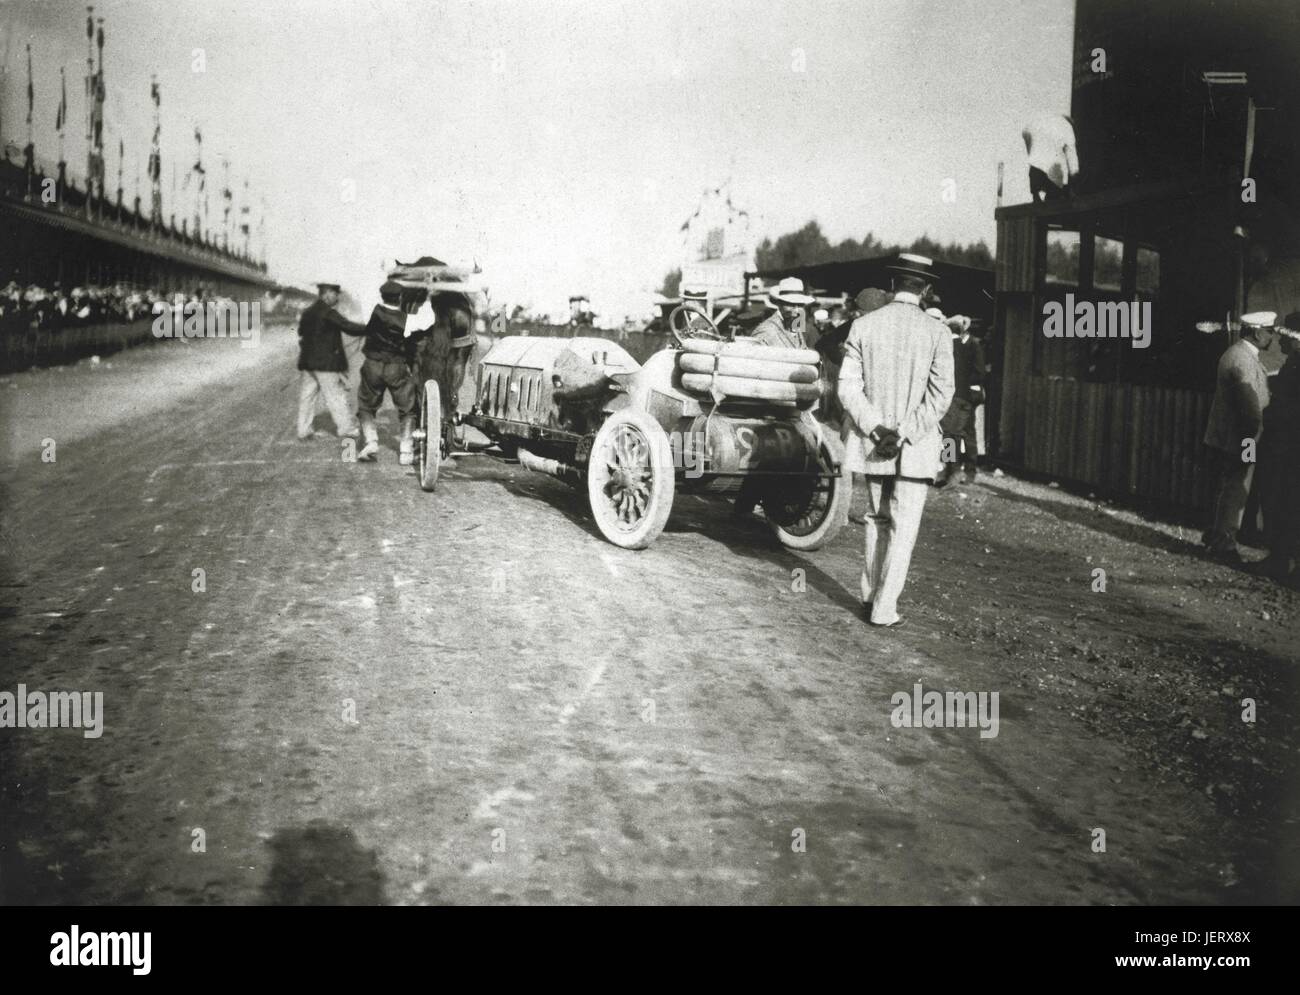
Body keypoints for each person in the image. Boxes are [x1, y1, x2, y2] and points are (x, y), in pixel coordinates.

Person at [837, 254, 954, 628]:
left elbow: (848, 388)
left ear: (893, 286)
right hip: (915, 447)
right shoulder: (938, 332)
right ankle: (884, 608)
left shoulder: (864, 326)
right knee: (903, 529)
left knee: (875, 519)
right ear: (927, 289)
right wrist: (903, 433)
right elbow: (940, 395)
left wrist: (877, 429)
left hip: (874, 443)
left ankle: (870, 596)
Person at [1201, 311, 1274, 562]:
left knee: (1227, 487)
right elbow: (1251, 412)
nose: (1272, 336)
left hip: (1234, 436)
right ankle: (1225, 546)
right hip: (1243, 437)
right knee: (1236, 488)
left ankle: (1217, 538)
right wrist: (1251, 444)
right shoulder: (1242, 360)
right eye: (1269, 331)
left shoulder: (1238, 354)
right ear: (1256, 331)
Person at [356, 280, 427, 463]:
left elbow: (364, 297)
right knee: (408, 409)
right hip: (396, 367)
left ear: (382, 297)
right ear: (401, 298)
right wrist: (428, 296)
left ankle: (371, 442)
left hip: (372, 364)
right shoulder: (409, 320)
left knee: (366, 405)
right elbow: (429, 322)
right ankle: (406, 452)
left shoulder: (372, 312)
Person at [1257, 313, 1300, 580]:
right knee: (1284, 504)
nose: (1279, 341)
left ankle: (1286, 564)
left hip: (1291, 448)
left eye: (1284, 336)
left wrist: (1272, 412)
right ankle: (1280, 560)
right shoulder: (1293, 363)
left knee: (1290, 504)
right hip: (1288, 447)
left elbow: (1288, 408)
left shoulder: (1297, 365)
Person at [296, 282, 365, 441]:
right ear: (326, 294)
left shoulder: (308, 312)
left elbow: (301, 333)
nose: (337, 297)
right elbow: (348, 326)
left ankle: (303, 430)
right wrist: (369, 328)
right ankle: (346, 428)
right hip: (325, 364)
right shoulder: (328, 312)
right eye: (335, 293)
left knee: (307, 396)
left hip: (308, 362)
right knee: (336, 396)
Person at [936, 314, 985, 486]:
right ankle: (954, 471)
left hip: (953, 397)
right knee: (958, 434)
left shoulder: (948, 348)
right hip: (965, 398)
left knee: (949, 435)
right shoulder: (968, 347)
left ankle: (951, 470)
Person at [750, 277, 814, 347]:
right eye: (790, 304)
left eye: (800, 305)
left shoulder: (795, 328)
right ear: (779, 304)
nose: (796, 310)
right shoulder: (766, 331)